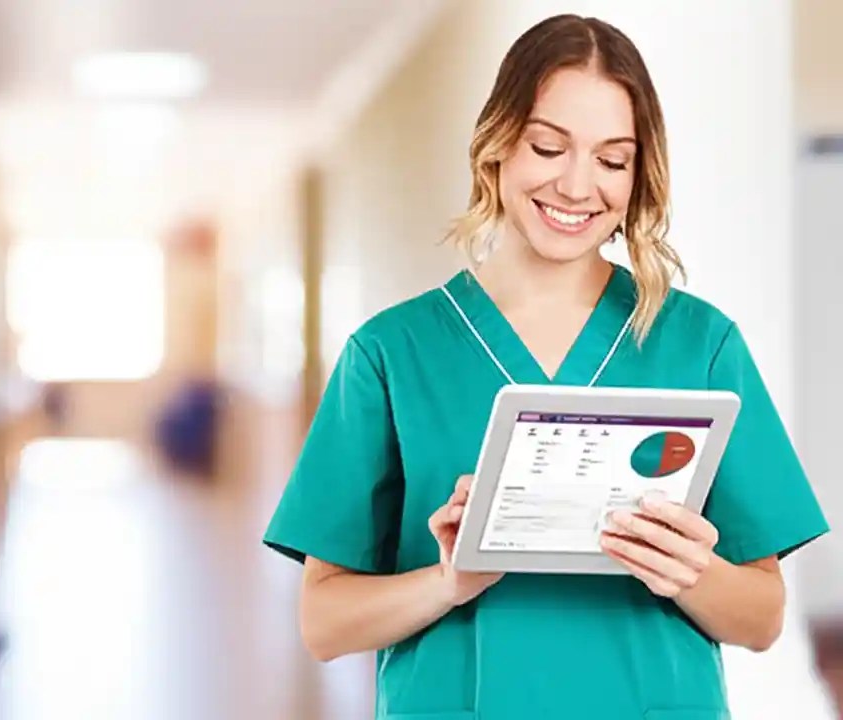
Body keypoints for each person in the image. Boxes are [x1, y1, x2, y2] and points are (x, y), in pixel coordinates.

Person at [262, 14, 831, 720]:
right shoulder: (390, 354)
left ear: (638, 175)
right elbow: (323, 623)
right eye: (548, 146)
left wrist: (690, 573)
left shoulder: (699, 344)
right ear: (498, 144)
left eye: (612, 159)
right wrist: (447, 581)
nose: (575, 185)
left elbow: (762, 617)